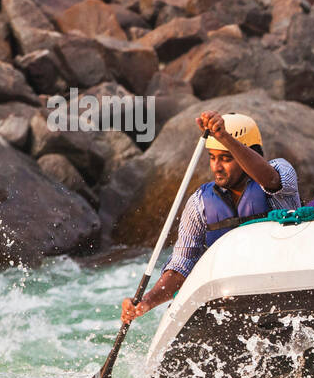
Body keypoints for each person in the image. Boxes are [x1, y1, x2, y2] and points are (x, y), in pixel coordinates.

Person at [121, 111, 301, 323]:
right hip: (231, 304)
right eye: (213, 158)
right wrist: (146, 302)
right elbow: (181, 266)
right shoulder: (199, 203)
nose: (217, 167)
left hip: (281, 292)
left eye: (226, 159)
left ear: (250, 154)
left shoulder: (280, 171)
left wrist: (224, 136)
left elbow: (270, 180)